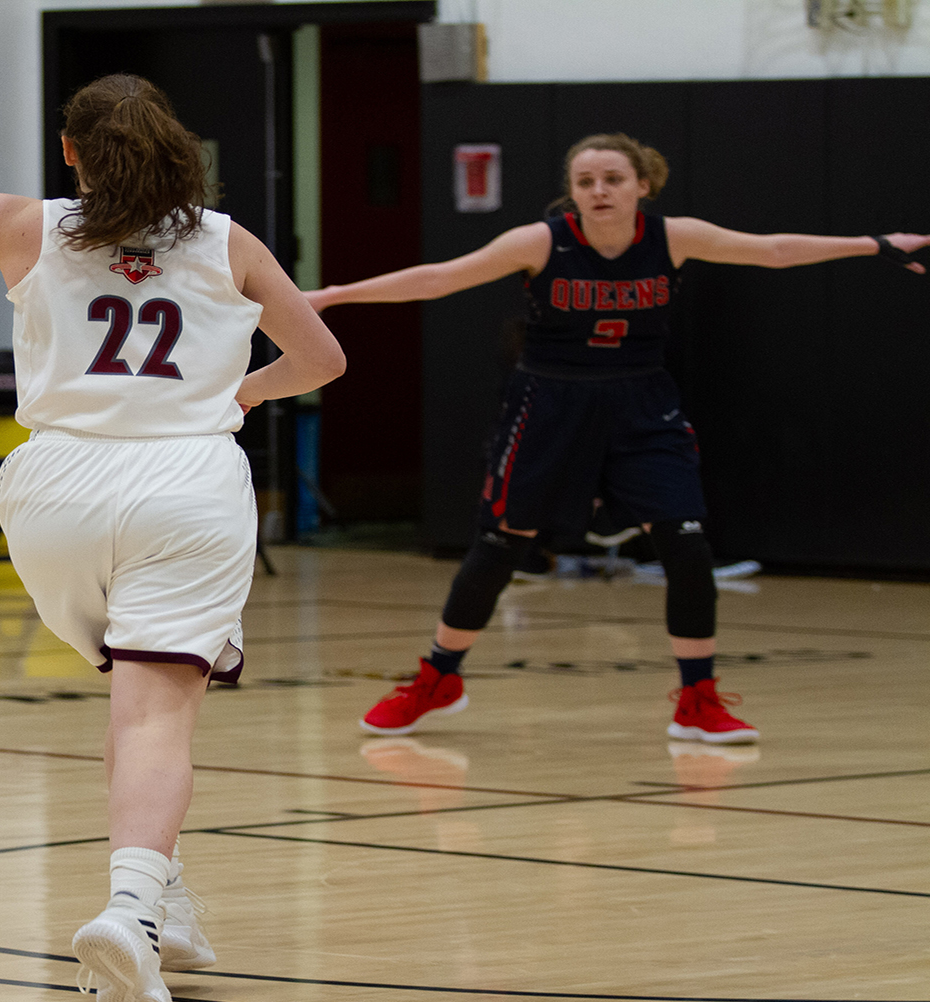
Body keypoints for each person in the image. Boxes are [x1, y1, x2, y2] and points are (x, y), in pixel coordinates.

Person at [0, 9, 345, 1002]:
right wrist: (242, 392)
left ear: (71, 152)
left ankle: (167, 903)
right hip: (185, 483)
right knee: (155, 714)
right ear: (178, 149)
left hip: (54, 487)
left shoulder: (28, 228)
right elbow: (322, 360)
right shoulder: (229, 243)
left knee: (130, 700)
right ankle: (131, 912)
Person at [306, 133, 928, 746]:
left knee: (686, 544)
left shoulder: (672, 237)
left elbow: (772, 250)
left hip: (642, 402)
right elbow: (439, 278)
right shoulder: (540, 242)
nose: (599, 190)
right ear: (572, 192)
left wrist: (875, 245)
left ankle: (697, 701)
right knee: (500, 545)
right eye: (585, 181)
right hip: (549, 403)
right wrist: (333, 297)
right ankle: (439, 679)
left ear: (642, 186)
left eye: (612, 179)